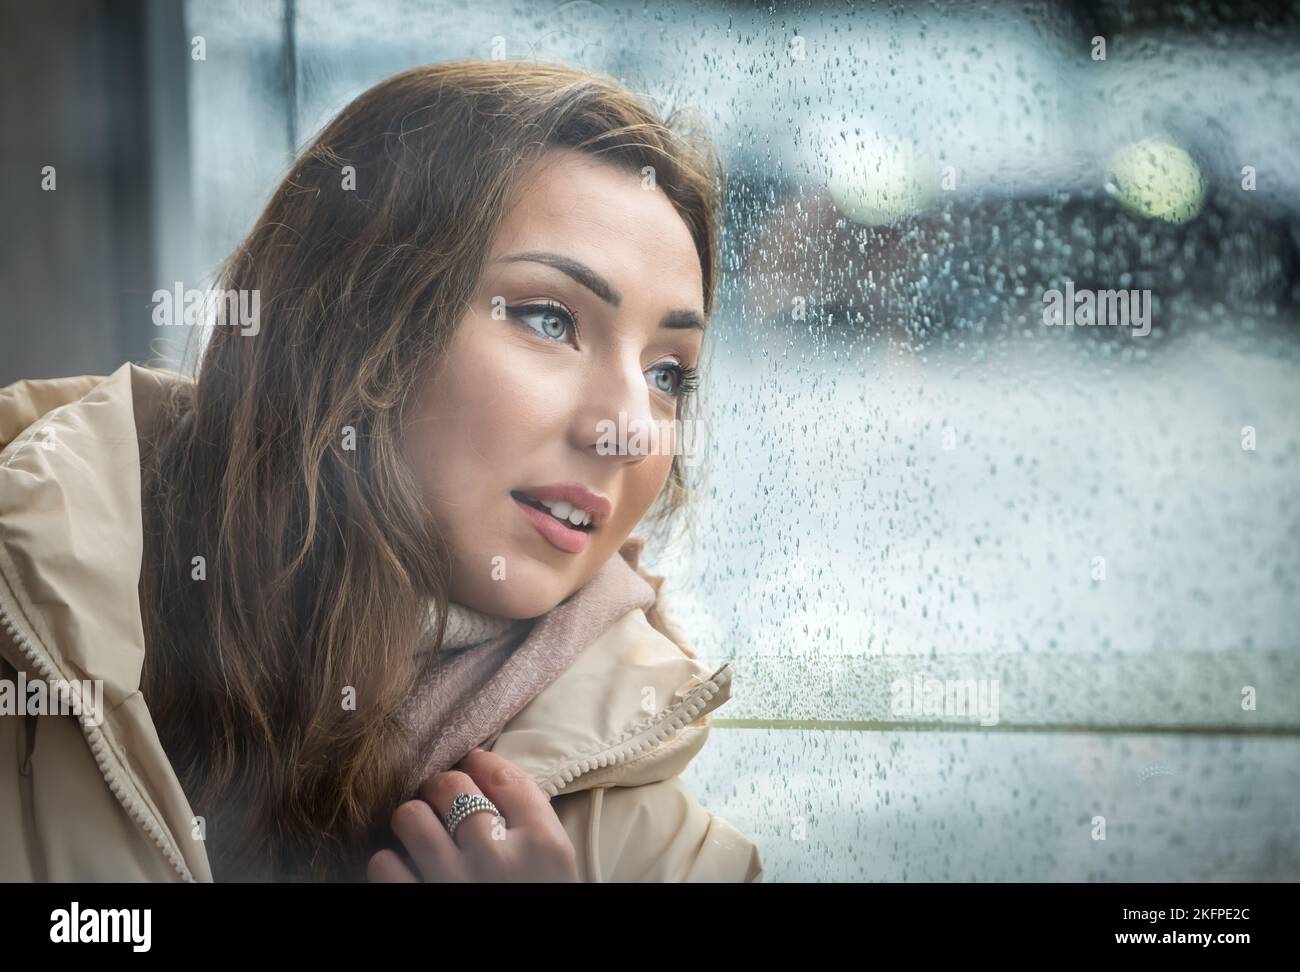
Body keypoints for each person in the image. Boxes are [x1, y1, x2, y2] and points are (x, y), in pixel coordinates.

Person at [0, 59, 762, 882]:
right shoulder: (33, 604)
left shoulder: (655, 842)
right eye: (550, 319)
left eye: (668, 374)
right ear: (353, 318)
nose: (626, 433)